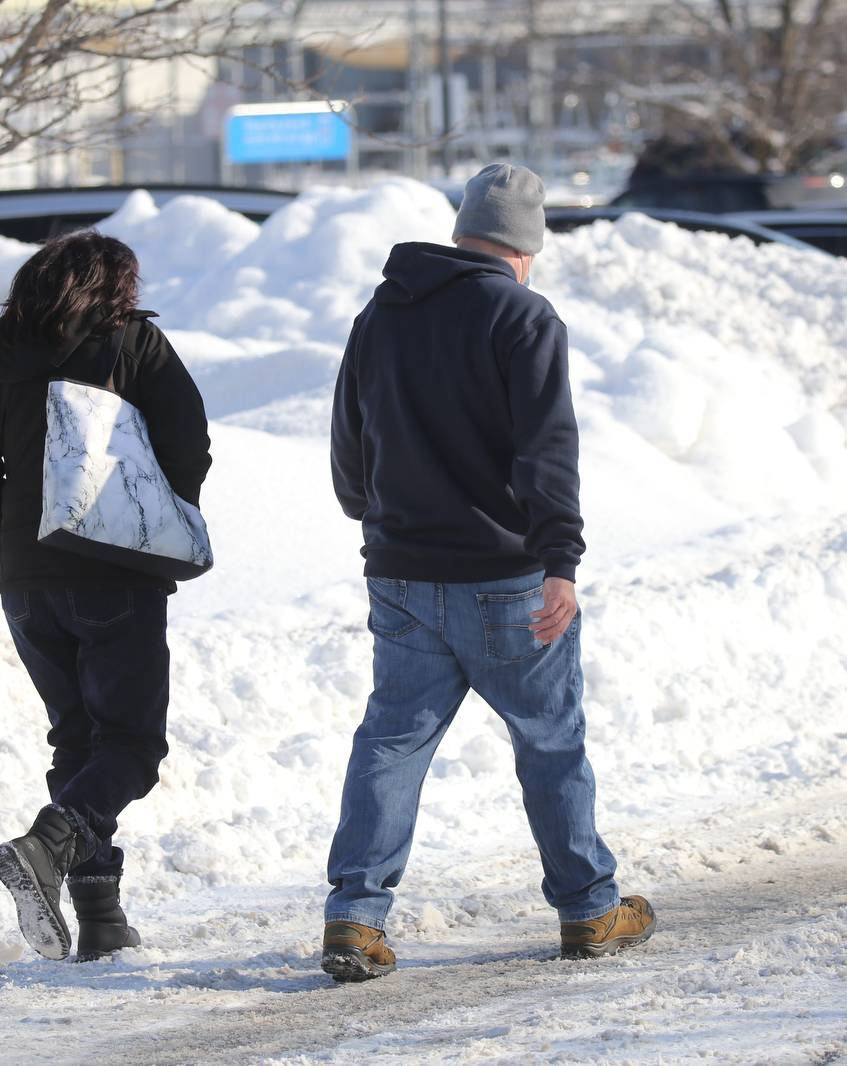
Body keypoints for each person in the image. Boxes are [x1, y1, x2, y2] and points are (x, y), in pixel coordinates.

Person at [321, 163, 655, 982]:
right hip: (504, 578)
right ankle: (588, 910)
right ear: (525, 246)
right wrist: (560, 560)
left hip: (399, 574)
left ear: (465, 228)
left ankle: (354, 921)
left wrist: (378, 519)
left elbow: (347, 440)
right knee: (549, 742)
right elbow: (547, 452)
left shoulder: (381, 313)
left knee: (392, 743)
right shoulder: (523, 315)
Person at [0, 230, 211, 963]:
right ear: (117, 285)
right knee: (131, 743)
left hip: (27, 586)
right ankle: (49, 842)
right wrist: (151, 516)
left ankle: (101, 917)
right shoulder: (132, 346)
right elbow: (189, 444)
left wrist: (20, 535)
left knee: (79, 740)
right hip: (114, 575)